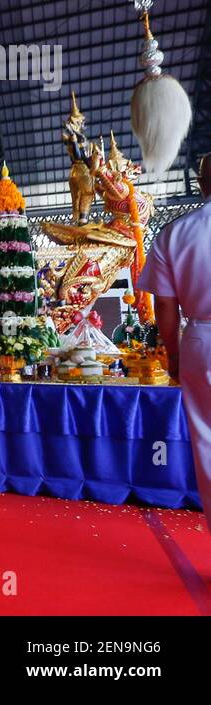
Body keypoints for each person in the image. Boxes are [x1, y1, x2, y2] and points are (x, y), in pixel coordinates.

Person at [136, 151, 211, 532]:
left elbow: (164, 305)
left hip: (201, 338)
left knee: (208, 443)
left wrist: (175, 355)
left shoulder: (176, 233)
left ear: (201, 185)